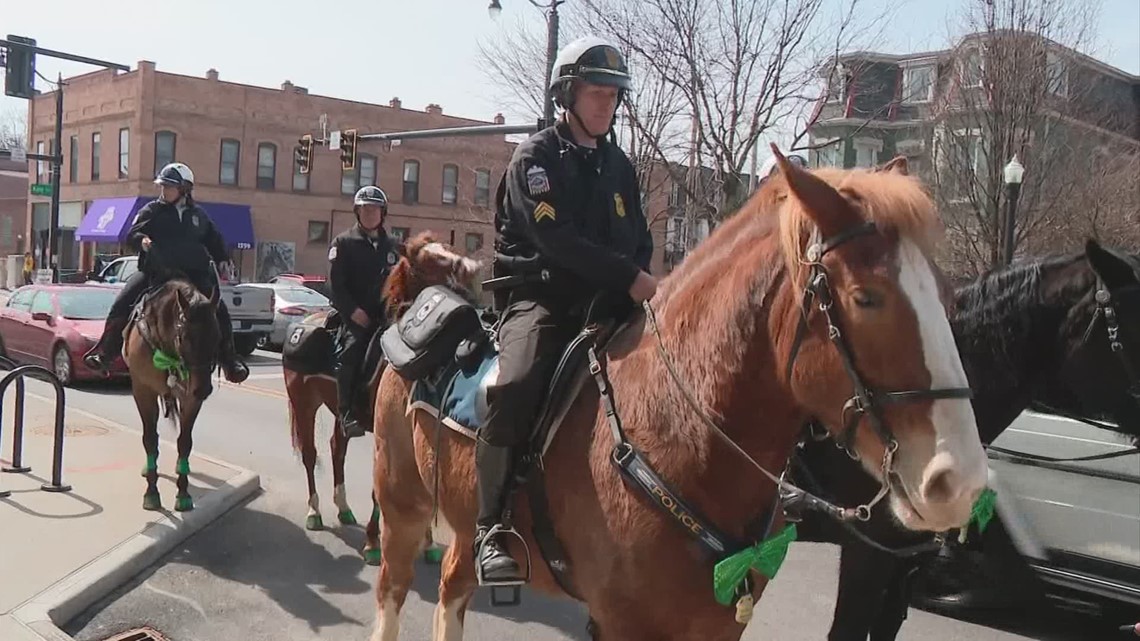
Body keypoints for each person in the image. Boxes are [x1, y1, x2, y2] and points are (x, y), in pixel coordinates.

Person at [475, 35, 657, 584]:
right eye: (595, 92)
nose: (605, 103)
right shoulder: (536, 158)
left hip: (606, 297)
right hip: (542, 296)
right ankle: (494, 524)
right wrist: (631, 277)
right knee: (518, 381)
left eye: (612, 94)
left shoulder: (619, 166)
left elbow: (640, 239)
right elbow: (560, 241)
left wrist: (636, 279)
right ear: (568, 95)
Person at [83, 162, 249, 384]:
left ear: (184, 189)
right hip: (157, 273)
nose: (164, 190)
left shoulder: (198, 215)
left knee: (219, 311)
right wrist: (141, 240)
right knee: (122, 303)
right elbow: (132, 233)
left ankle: (230, 361)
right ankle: (105, 354)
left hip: (195, 274)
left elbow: (214, 240)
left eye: (169, 186)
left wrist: (223, 260)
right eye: (163, 186)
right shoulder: (152, 211)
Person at [327, 185, 401, 439]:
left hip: (388, 316)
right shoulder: (343, 243)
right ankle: (346, 413)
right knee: (351, 353)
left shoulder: (393, 246)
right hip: (357, 317)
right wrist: (353, 312)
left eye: (375, 209)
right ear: (357, 212)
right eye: (365, 209)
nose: (371, 214)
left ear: (383, 213)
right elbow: (336, 286)